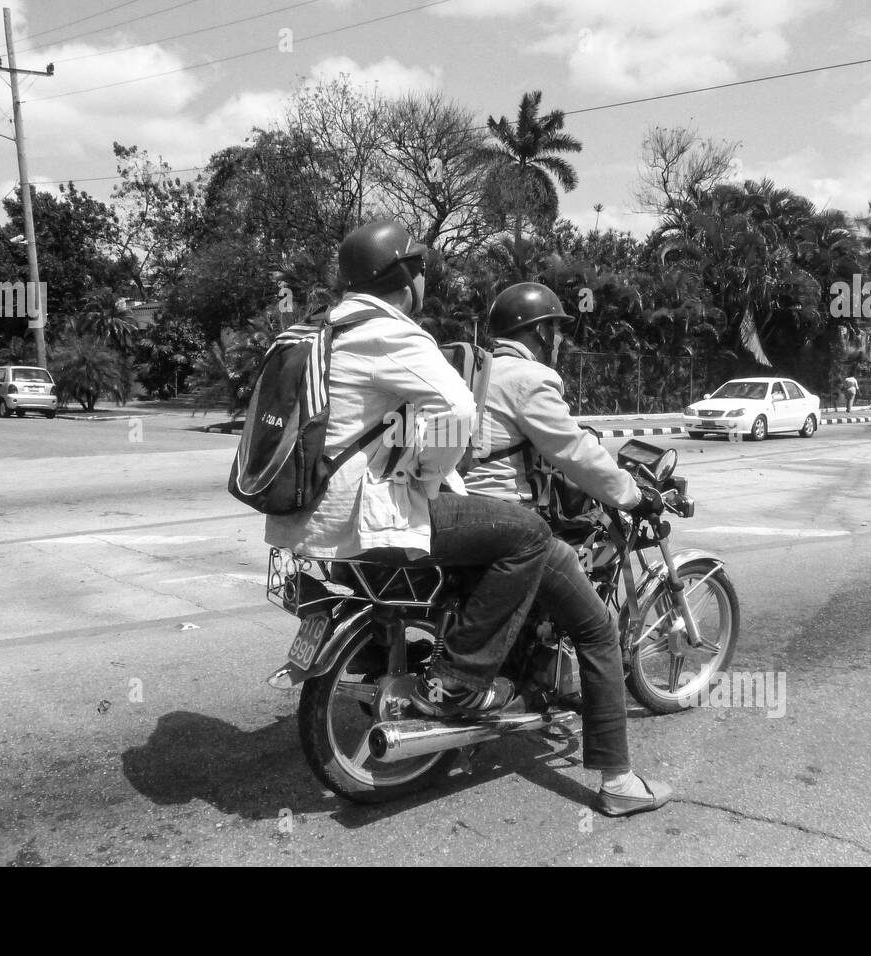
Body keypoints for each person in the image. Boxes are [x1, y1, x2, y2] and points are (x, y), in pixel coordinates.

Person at [263, 221, 552, 718]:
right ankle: (459, 678)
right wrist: (429, 472)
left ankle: (382, 651)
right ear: (408, 278)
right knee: (529, 536)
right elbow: (458, 410)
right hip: (367, 519)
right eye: (420, 271)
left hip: (300, 514)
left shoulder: (311, 330)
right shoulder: (389, 332)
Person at [463, 282, 672, 817]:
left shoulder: (472, 371)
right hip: (507, 521)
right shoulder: (529, 377)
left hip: (459, 516)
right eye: (554, 329)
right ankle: (618, 781)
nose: (557, 340)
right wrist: (628, 492)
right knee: (598, 630)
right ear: (538, 332)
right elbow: (573, 451)